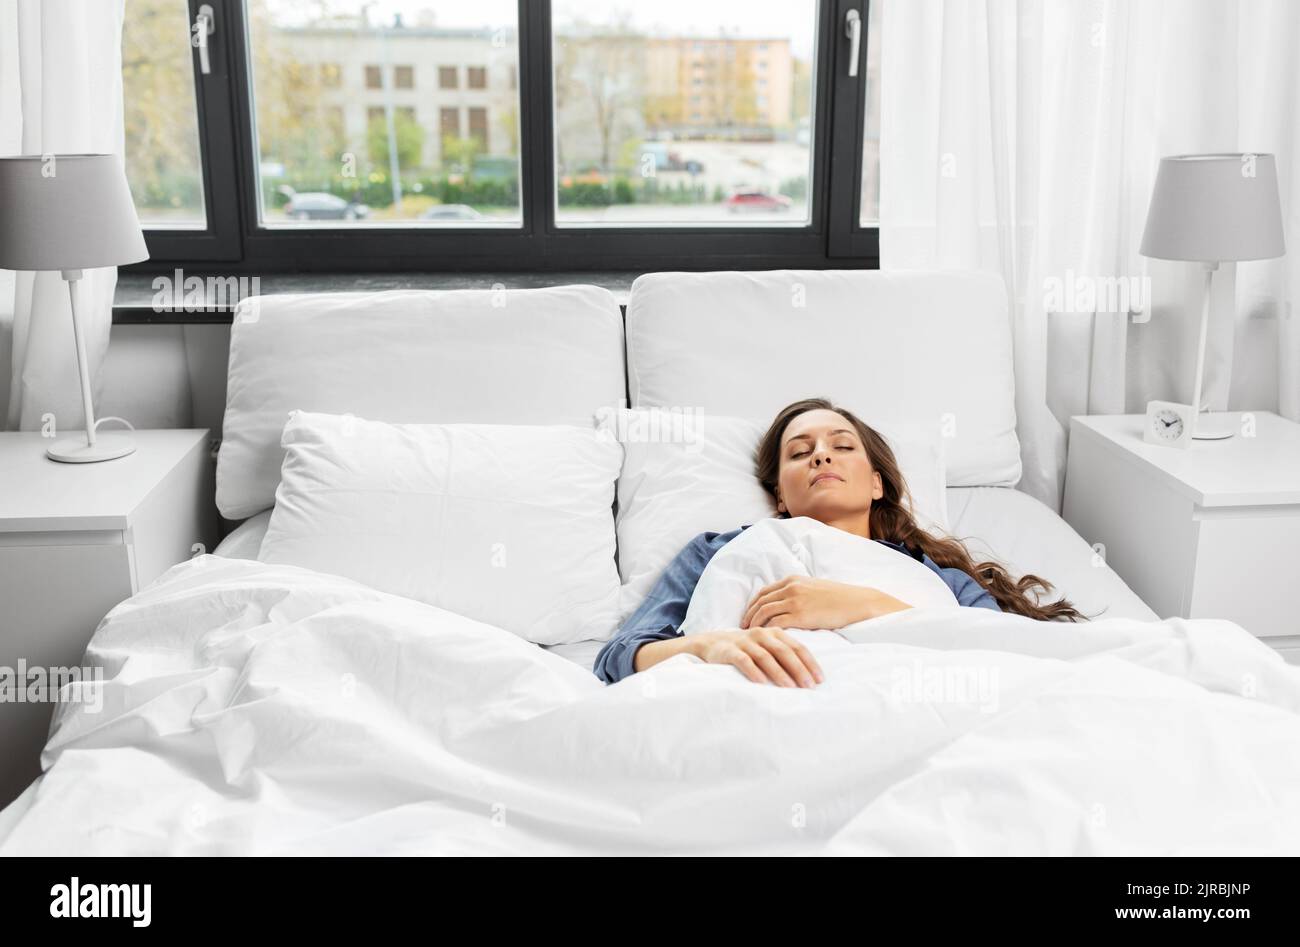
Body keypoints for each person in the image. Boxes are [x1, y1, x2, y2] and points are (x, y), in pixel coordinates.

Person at [594, 397, 1084, 688]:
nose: (822, 457)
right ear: (780, 498)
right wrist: (712, 646)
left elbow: (997, 650)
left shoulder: (937, 575)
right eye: (800, 452)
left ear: (876, 484)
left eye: (842, 446)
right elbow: (618, 658)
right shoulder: (717, 550)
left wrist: (857, 604)